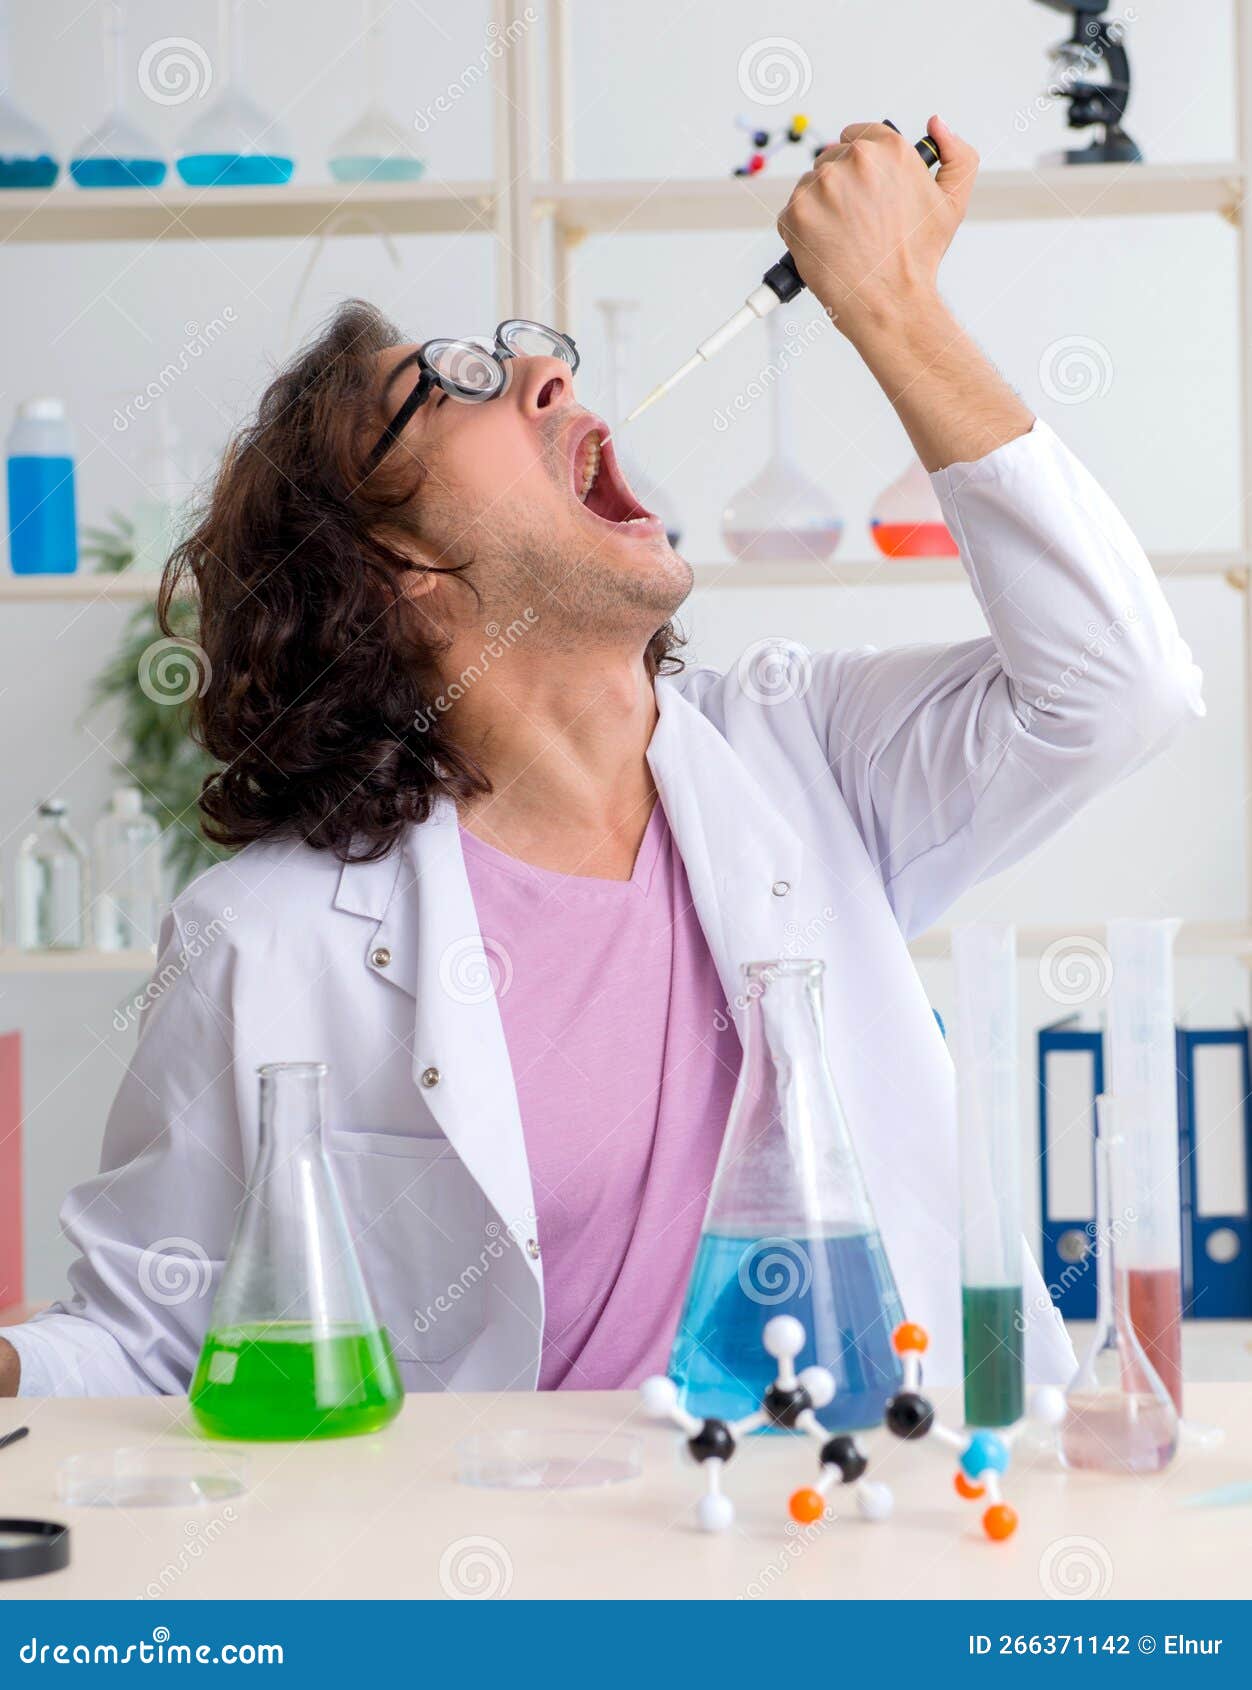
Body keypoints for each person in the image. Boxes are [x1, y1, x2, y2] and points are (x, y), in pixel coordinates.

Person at [0, 118, 1201, 1399]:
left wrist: (893, 308)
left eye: (531, 356)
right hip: (542, 1582)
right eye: (452, 381)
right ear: (393, 573)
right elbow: (146, 1344)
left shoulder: (806, 758)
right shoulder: (265, 940)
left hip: (884, 1534)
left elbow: (1118, 688)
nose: (543, 374)